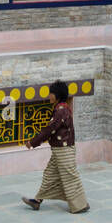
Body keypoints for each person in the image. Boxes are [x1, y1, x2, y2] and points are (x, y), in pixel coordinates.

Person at [19, 80, 89, 214]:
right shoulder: (61, 109)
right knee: (50, 175)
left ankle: (80, 205)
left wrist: (32, 142)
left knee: (70, 176)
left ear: (57, 95)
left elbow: (49, 129)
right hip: (59, 150)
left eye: (51, 93)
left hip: (64, 150)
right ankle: (37, 201)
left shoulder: (61, 111)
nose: (49, 96)